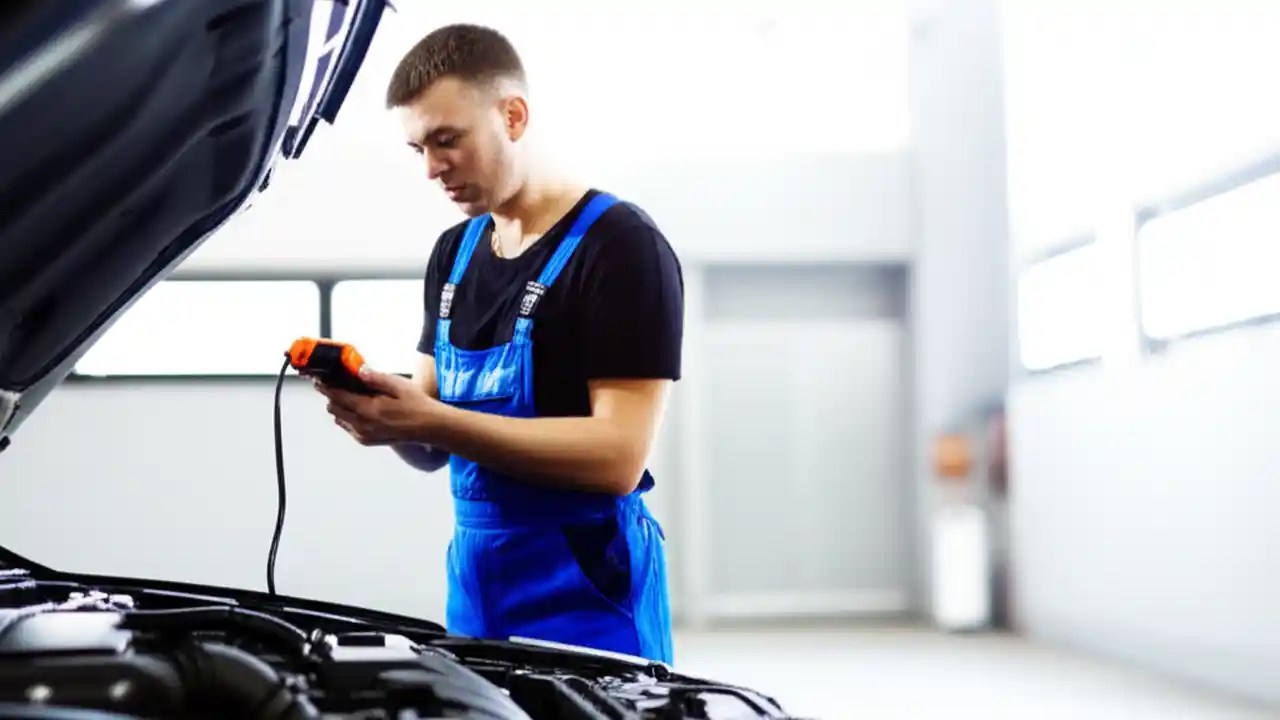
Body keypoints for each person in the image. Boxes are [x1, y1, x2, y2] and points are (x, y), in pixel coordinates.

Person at [313, 23, 683, 665]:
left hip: (589, 591)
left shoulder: (620, 247)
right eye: (418, 149)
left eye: (447, 140)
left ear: (513, 116)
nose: (432, 168)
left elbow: (618, 455)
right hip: (477, 586)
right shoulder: (453, 255)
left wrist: (432, 420)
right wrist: (386, 415)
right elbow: (433, 444)